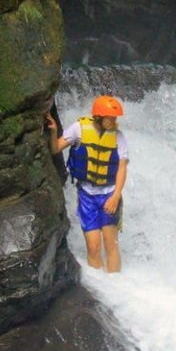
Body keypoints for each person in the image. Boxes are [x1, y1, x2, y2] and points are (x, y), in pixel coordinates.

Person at [46, 95, 128, 272]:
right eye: (111, 118)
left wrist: (116, 196)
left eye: (115, 118)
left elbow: (122, 168)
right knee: (93, 247)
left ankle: (115, 283)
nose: (114, 121)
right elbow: (55, 149)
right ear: (99, 116)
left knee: (110, 244)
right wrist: (53, 131)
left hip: (109, 195)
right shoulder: (79, 129)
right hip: (87, 196)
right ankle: (103, 288)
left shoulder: (118, 137)